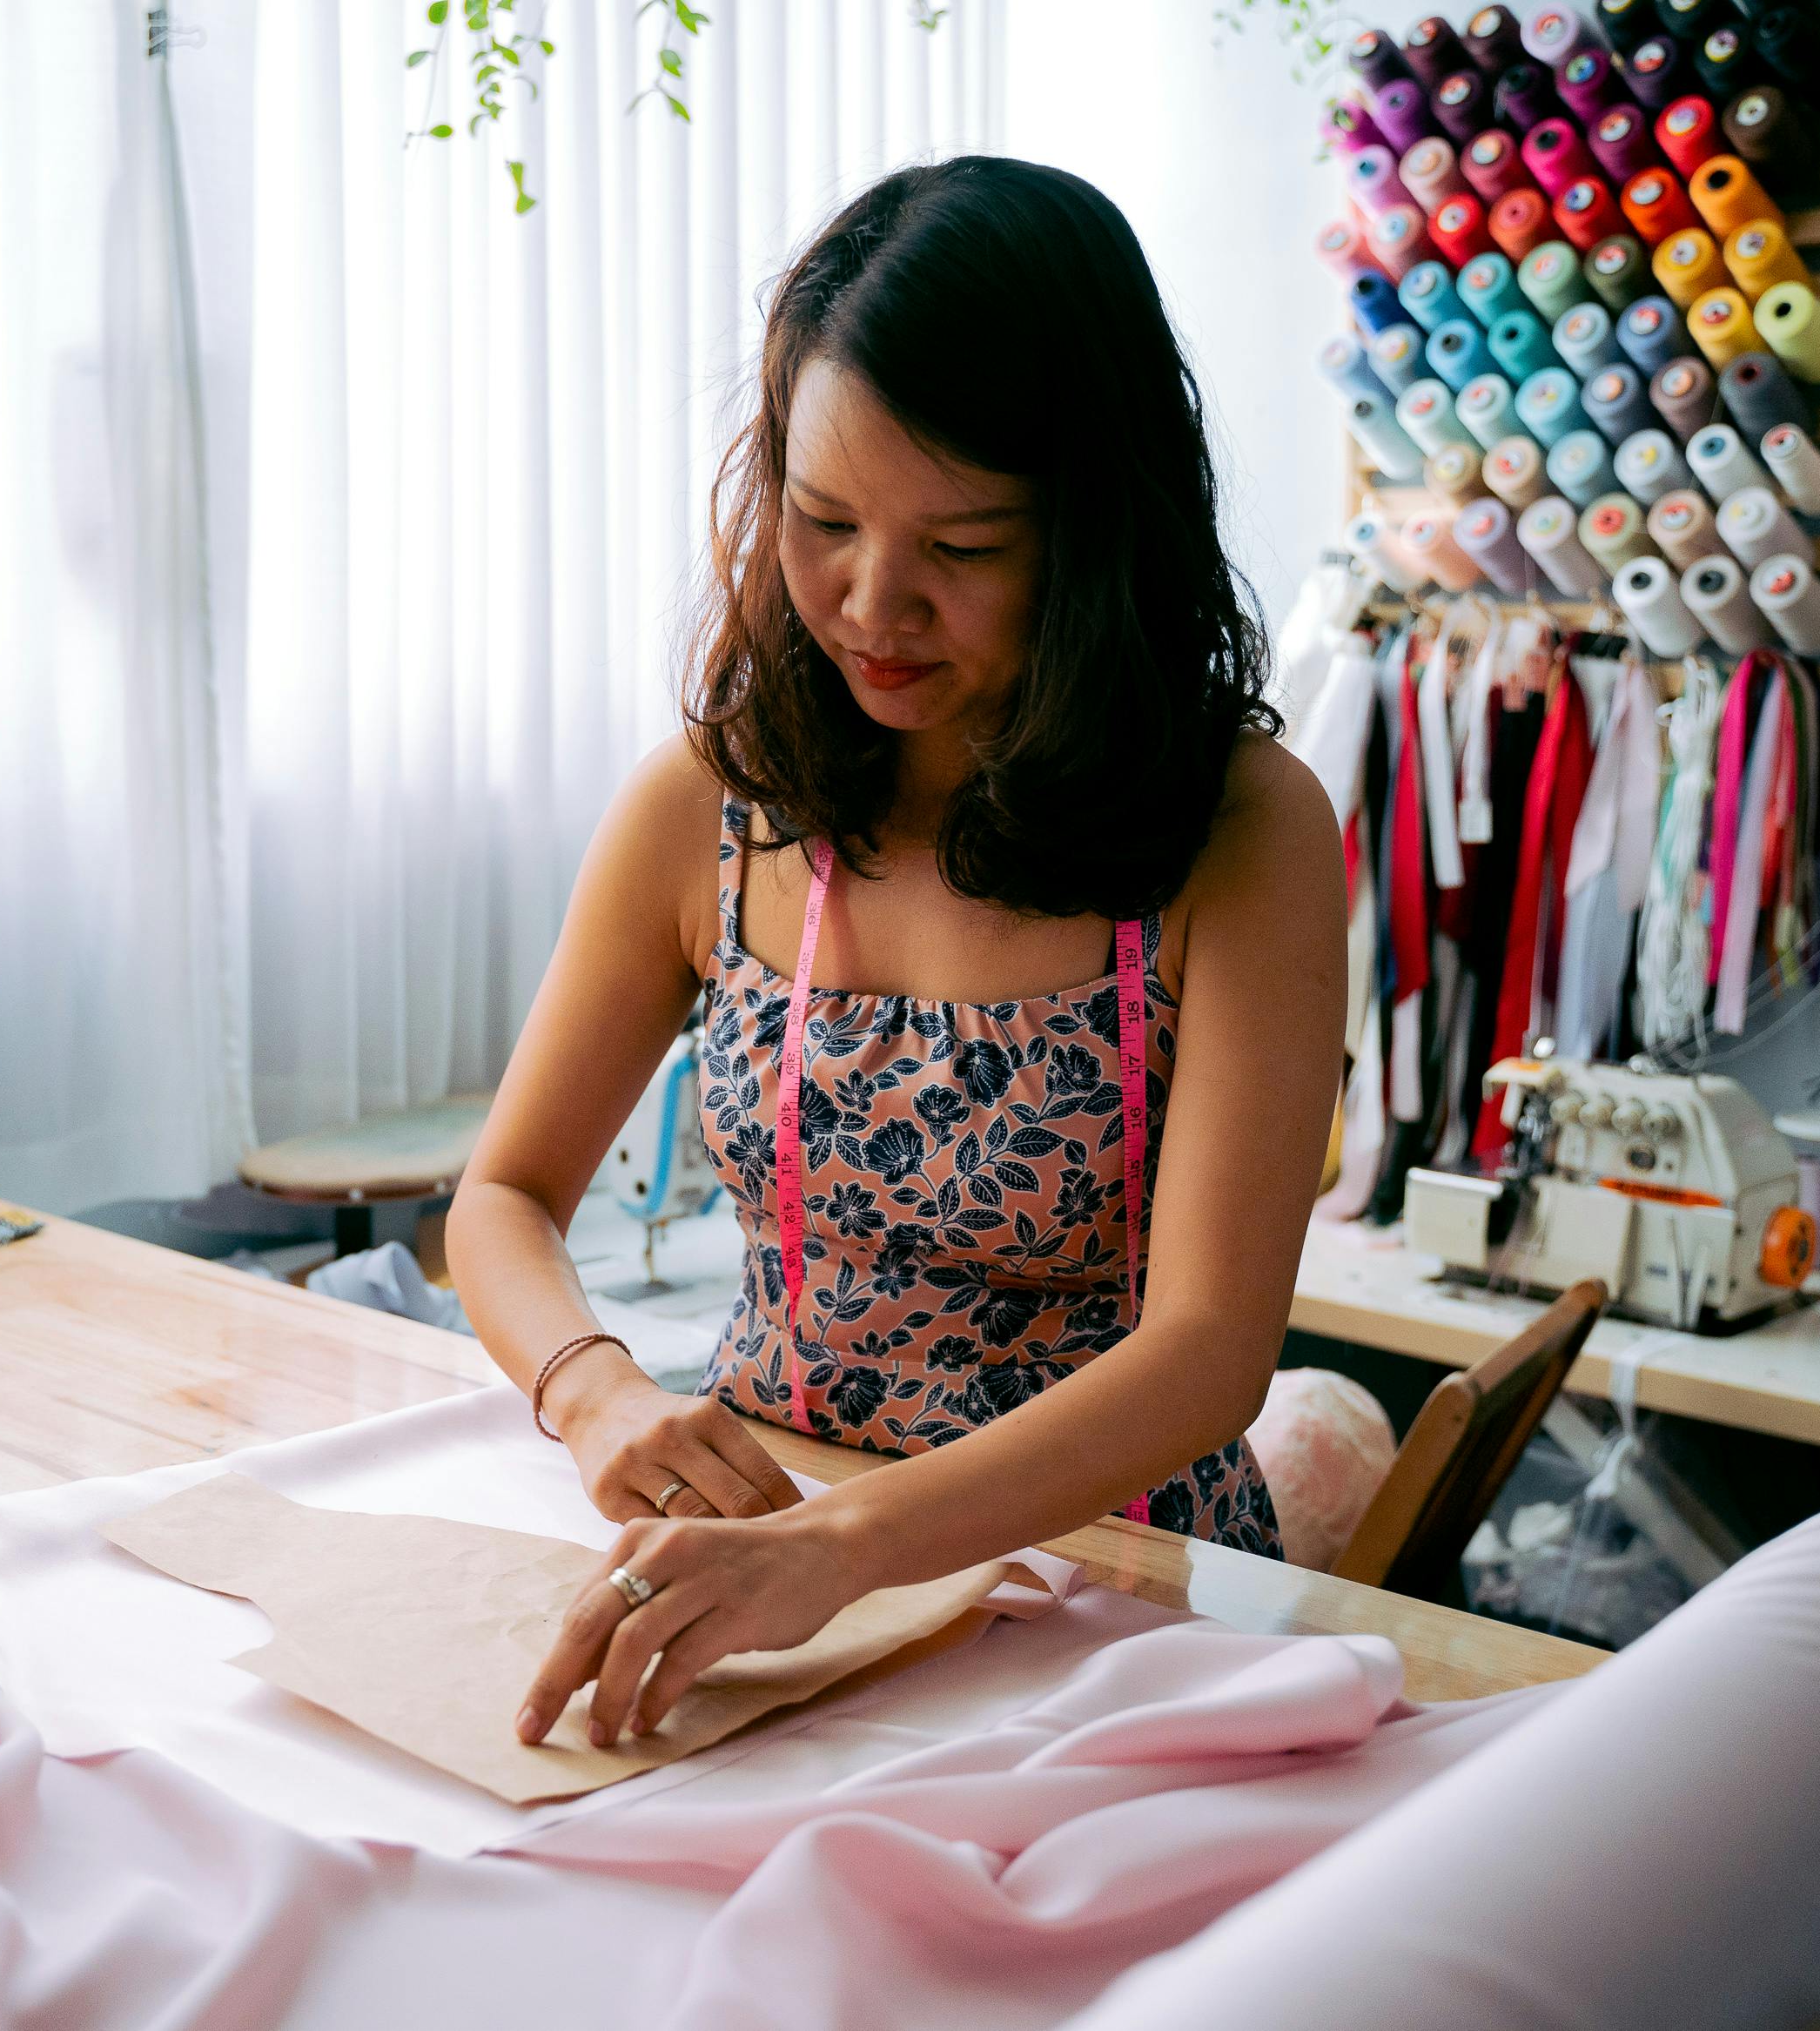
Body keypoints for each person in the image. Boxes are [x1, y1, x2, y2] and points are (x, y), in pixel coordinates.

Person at [443, 156, 1345, 1754]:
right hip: (762, 1557)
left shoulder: (1243, 831)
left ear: (1095, 525)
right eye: (822, 520)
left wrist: (839, 1552)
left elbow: (1210, 1353)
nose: (875, 603)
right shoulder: (709, 805)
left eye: (968, 546)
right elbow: (501, 1199)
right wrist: (595, 1392)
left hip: (1113, 1587)